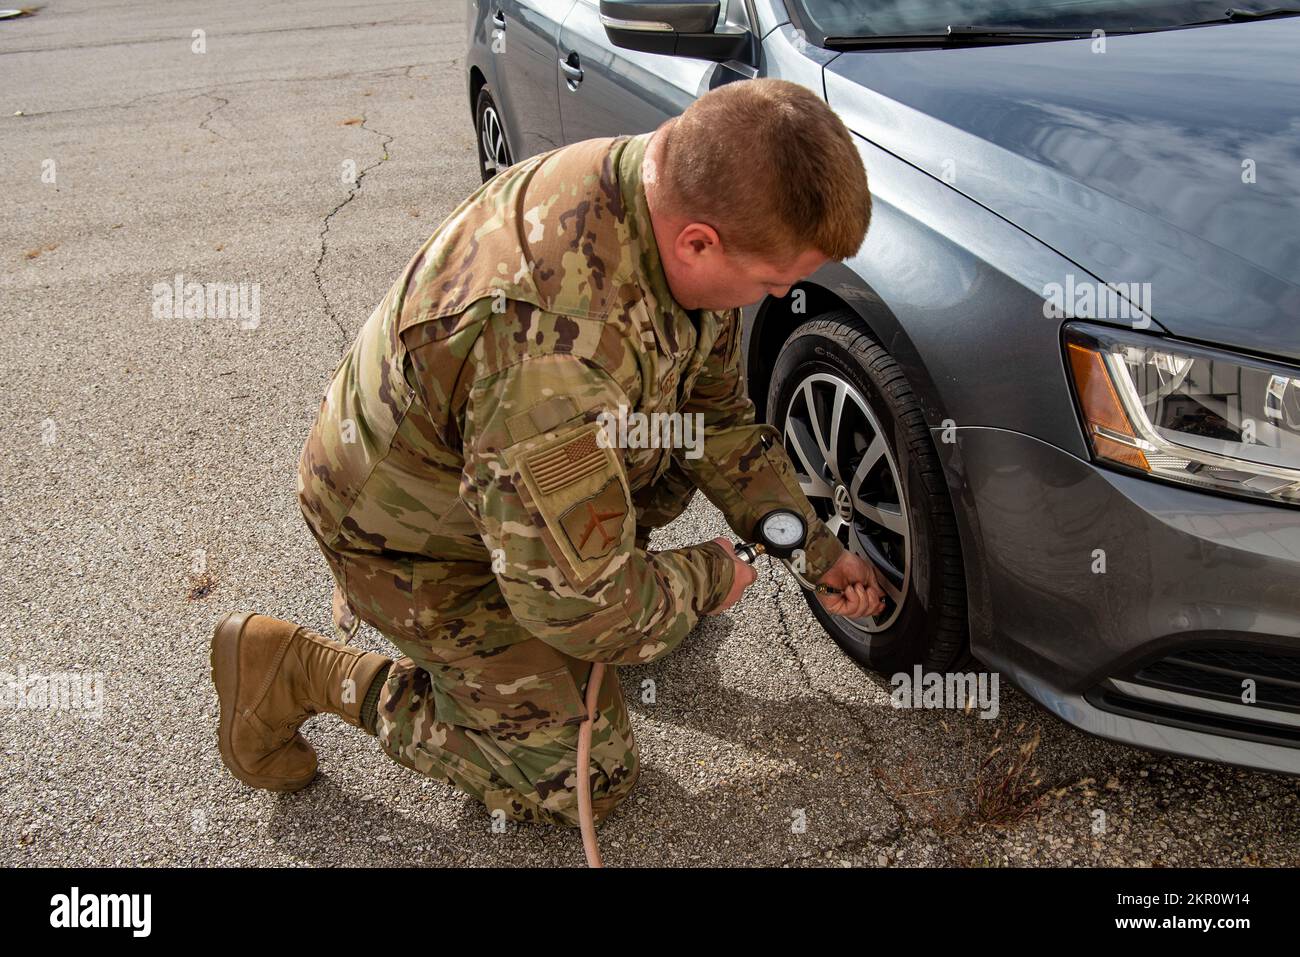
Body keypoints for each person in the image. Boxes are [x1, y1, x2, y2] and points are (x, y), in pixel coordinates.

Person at [210, 77, 885, 829]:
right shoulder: (553, 351)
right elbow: (581, 606)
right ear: (700, 241)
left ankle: (585, 594)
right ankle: (302, 671)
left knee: (658, 477)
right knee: (585, 775)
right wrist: (707, 577)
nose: (770, 297)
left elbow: (715, 417)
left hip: (500, 485)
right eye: (771, 281)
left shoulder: (658, 191)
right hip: (410, 543)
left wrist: (817, 551)